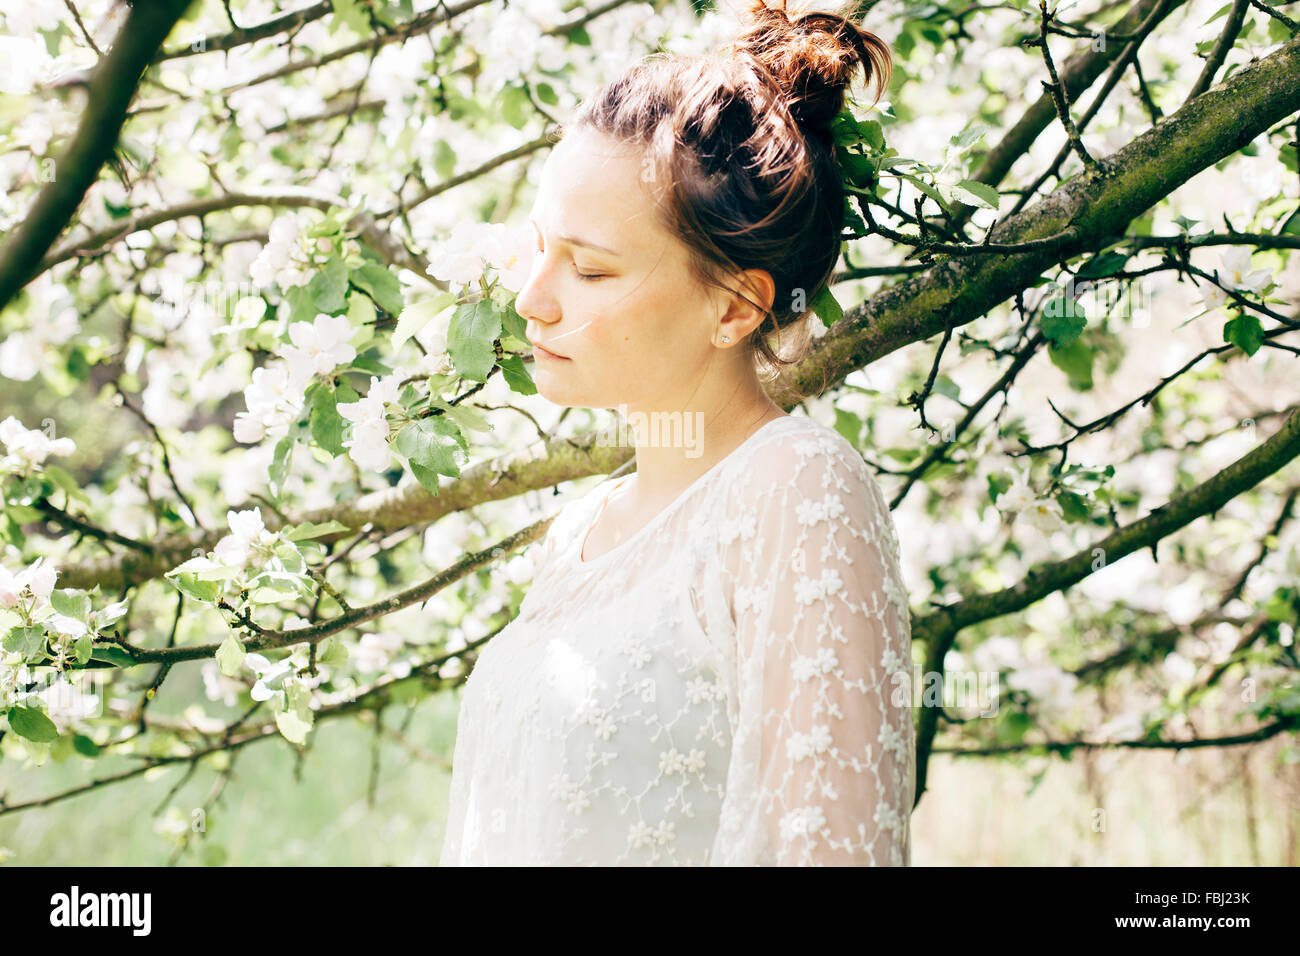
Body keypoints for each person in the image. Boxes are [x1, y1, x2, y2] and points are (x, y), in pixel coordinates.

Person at [438, 0, 913, 866]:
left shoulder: (797, 492)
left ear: (733, 306)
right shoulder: (573, 536)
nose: (531, 298)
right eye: (540, 249)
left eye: (588, 269)